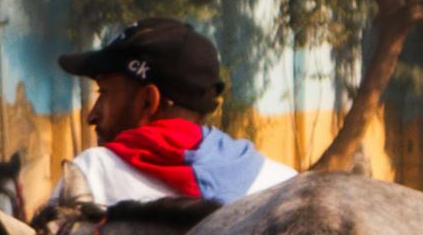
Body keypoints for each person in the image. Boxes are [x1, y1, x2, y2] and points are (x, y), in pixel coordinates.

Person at [53, 13, 281, 212]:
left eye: (103, 93)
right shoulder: (277, 183)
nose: (91, 116)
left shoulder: (89, 177)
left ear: (147, 102)